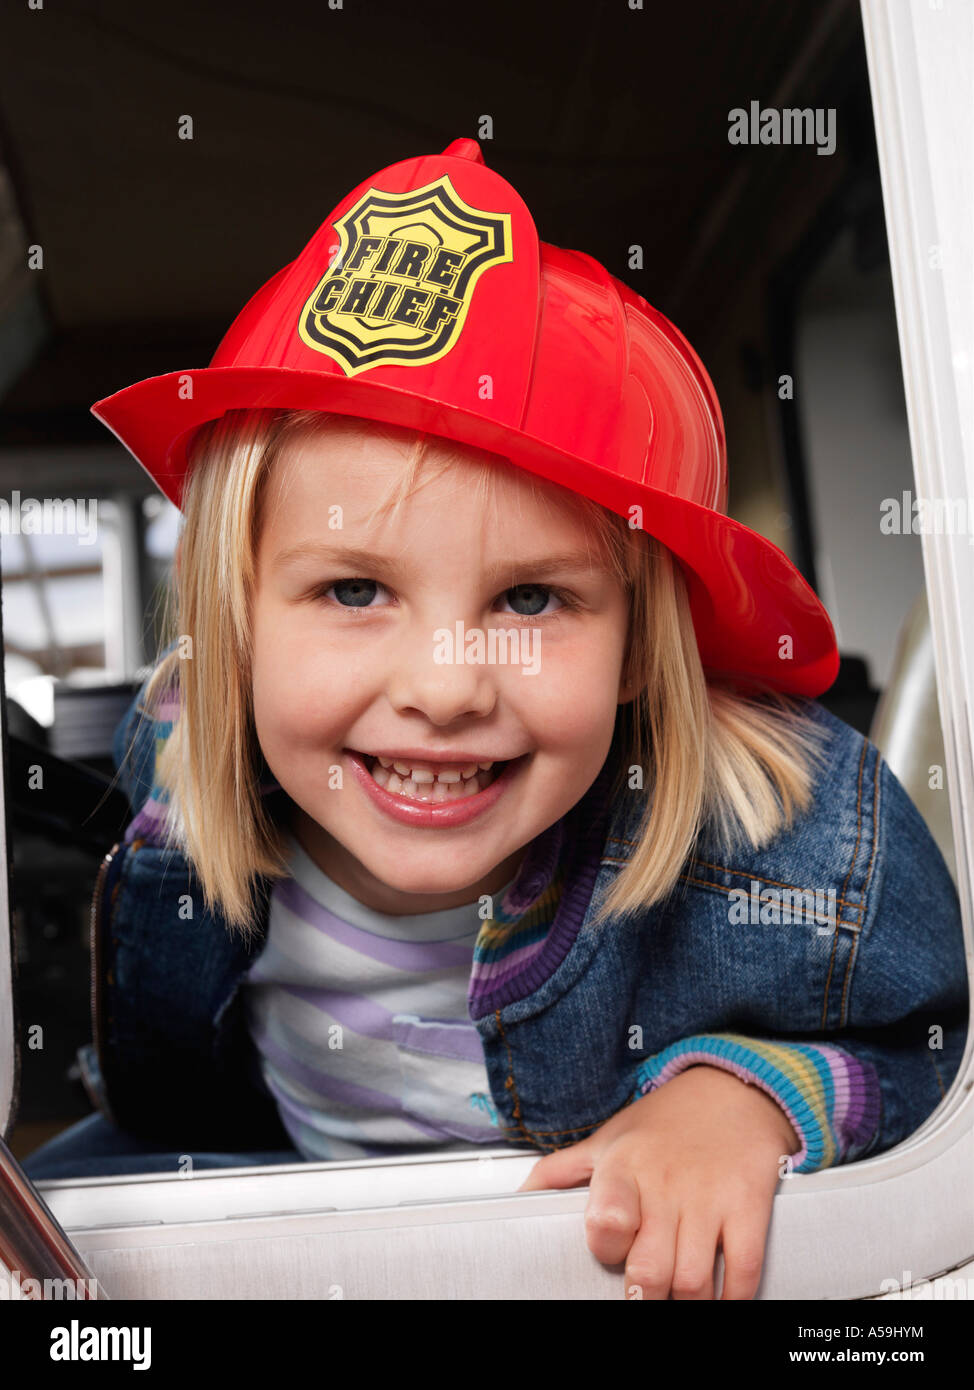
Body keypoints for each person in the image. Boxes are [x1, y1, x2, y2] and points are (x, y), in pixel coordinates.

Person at [25, 139, 968, 1300]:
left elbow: (925, 1045)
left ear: (635, 644)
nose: (445, 685)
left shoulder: (785, 839)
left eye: (530, 598)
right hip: (261, 1189)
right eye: (354, 591)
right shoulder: (178, 758)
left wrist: (735, 1101)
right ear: (237, 632)